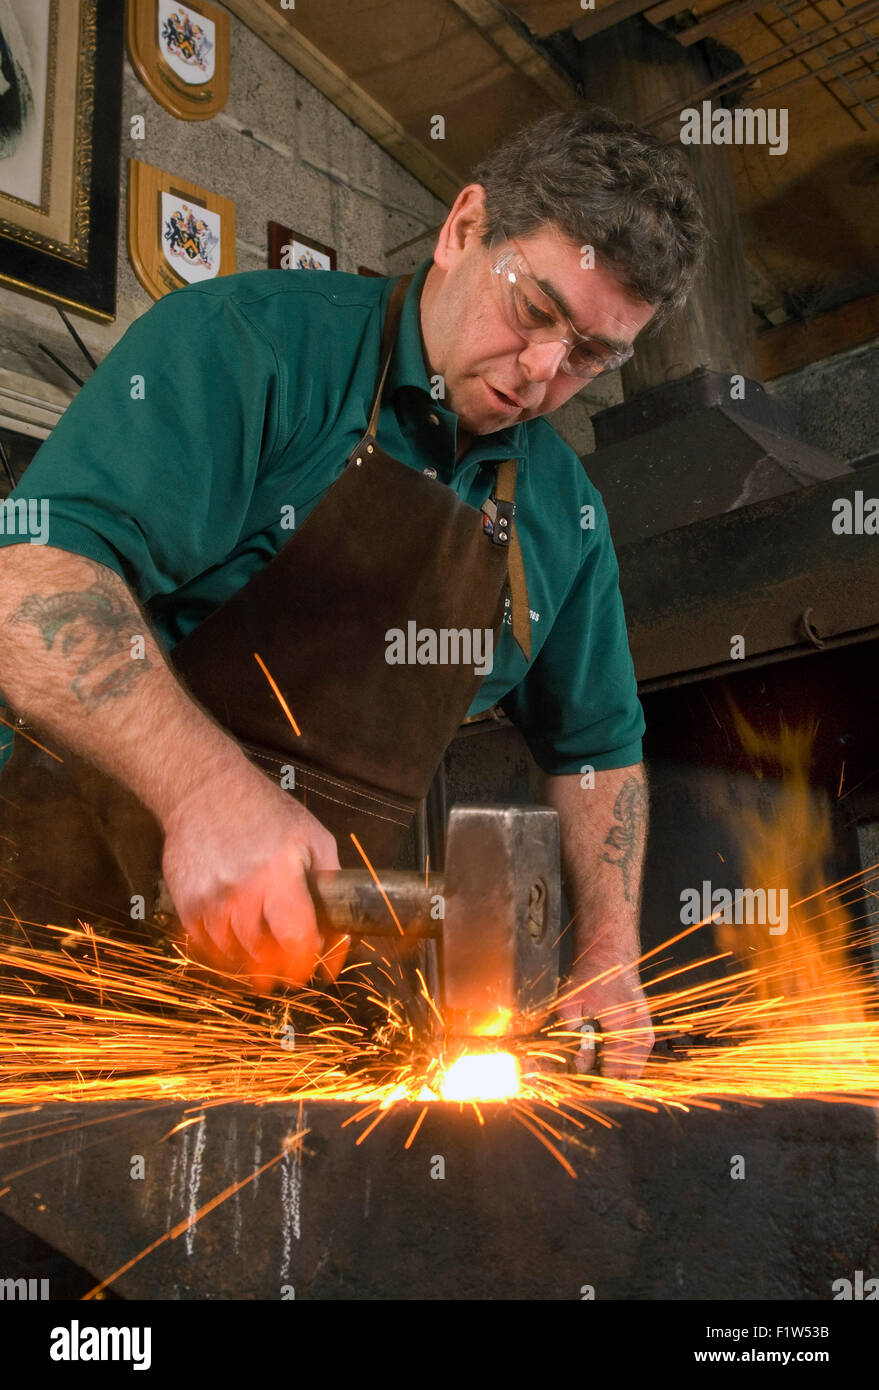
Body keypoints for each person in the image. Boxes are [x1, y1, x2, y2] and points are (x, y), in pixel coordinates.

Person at [0, 109, 707, 1077]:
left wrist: (607, 955)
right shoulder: (250, 349)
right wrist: (207, 793)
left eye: (589, 355)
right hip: (43, 954)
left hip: (290, 1016)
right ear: (464, 228)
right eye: (534, 310)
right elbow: (29, 579)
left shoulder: (564, 516)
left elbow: (598, 748)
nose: (544, 373)